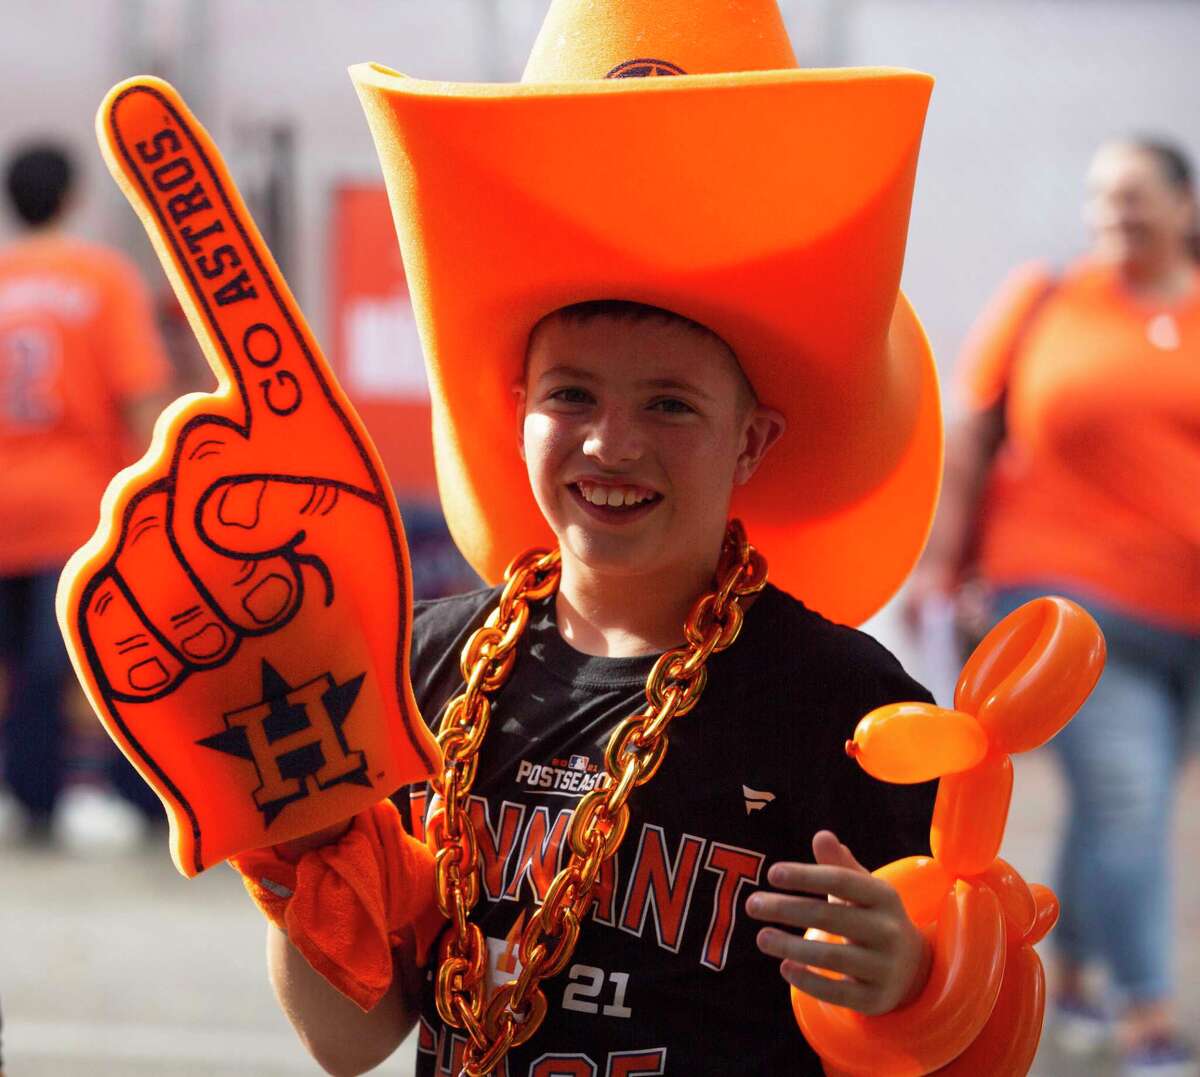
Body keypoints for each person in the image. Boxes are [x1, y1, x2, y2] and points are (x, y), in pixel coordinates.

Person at [75, 1, 960, 1073]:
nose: (612, 444)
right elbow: (350, 1038)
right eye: (571, 395)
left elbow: (959, 1025)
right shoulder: (415, 671)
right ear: (514, 411)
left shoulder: (849, 707)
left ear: (751, 441)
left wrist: (917, 978)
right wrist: (294, 827)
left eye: (672, 406)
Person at [908, 137, 1200, 1076]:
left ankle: (1069, 976)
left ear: (1185, 208)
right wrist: (939, 567)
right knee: (1128, 795)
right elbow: (970, 441)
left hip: (1187, 616)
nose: (1111, 211)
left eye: (1134, 195)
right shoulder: (1046, 302)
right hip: (1068, 599)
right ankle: (1149, 1017)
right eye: (1099, 195)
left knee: (1124, 809)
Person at [0, 142, 171, 841]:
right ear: (71, 198)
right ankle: (110, 791)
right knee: (83, 658)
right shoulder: (101, 279)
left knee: (17, 661)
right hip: (77, 506)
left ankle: (28, 795)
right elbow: (139, 394)